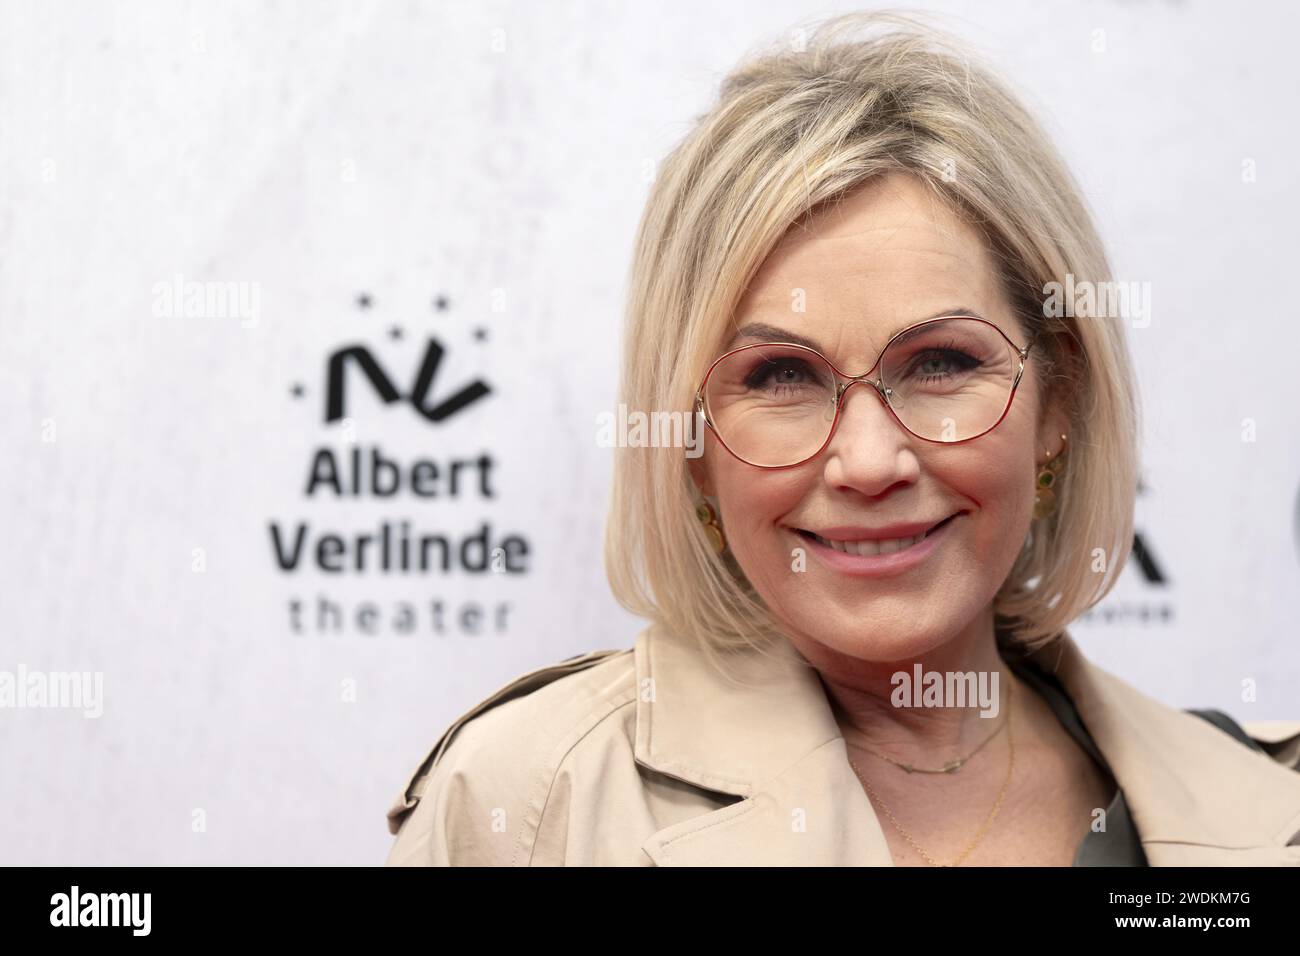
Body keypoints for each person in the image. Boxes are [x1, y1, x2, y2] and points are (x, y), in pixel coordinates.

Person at [384, 11, 1300, 866]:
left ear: (1056, 396)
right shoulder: (531, 804)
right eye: (781, 376)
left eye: (939, 362)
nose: (868, 462)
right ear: (690, 441)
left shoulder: (1263, 812)